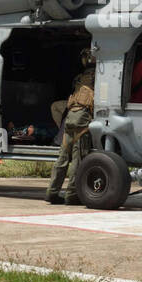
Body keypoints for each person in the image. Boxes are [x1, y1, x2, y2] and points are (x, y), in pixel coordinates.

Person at [44, 47, 96, 205]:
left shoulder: (80, 78)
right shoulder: (98, 76)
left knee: (63, 157)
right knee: (77, 158)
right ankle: (72, 195)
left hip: (70, 118)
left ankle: (52, 193)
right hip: (83, 119)